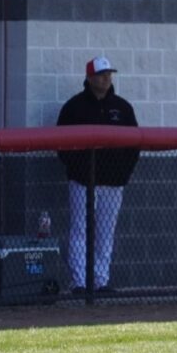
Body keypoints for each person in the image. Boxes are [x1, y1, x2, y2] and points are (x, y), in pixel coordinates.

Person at [57, 55, 138, 294]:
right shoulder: (74, 107)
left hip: (113, 183)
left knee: (105, 233)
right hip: (82, 181)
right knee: (80, 230)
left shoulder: (122, 108)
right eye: (101, 74)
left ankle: (101, 280)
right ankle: (80, 282)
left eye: (108, 74)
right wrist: (76, 169)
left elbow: (135, 145)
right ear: (89, 78)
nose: (106, 79)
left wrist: (123, 173)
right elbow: (61, 144)